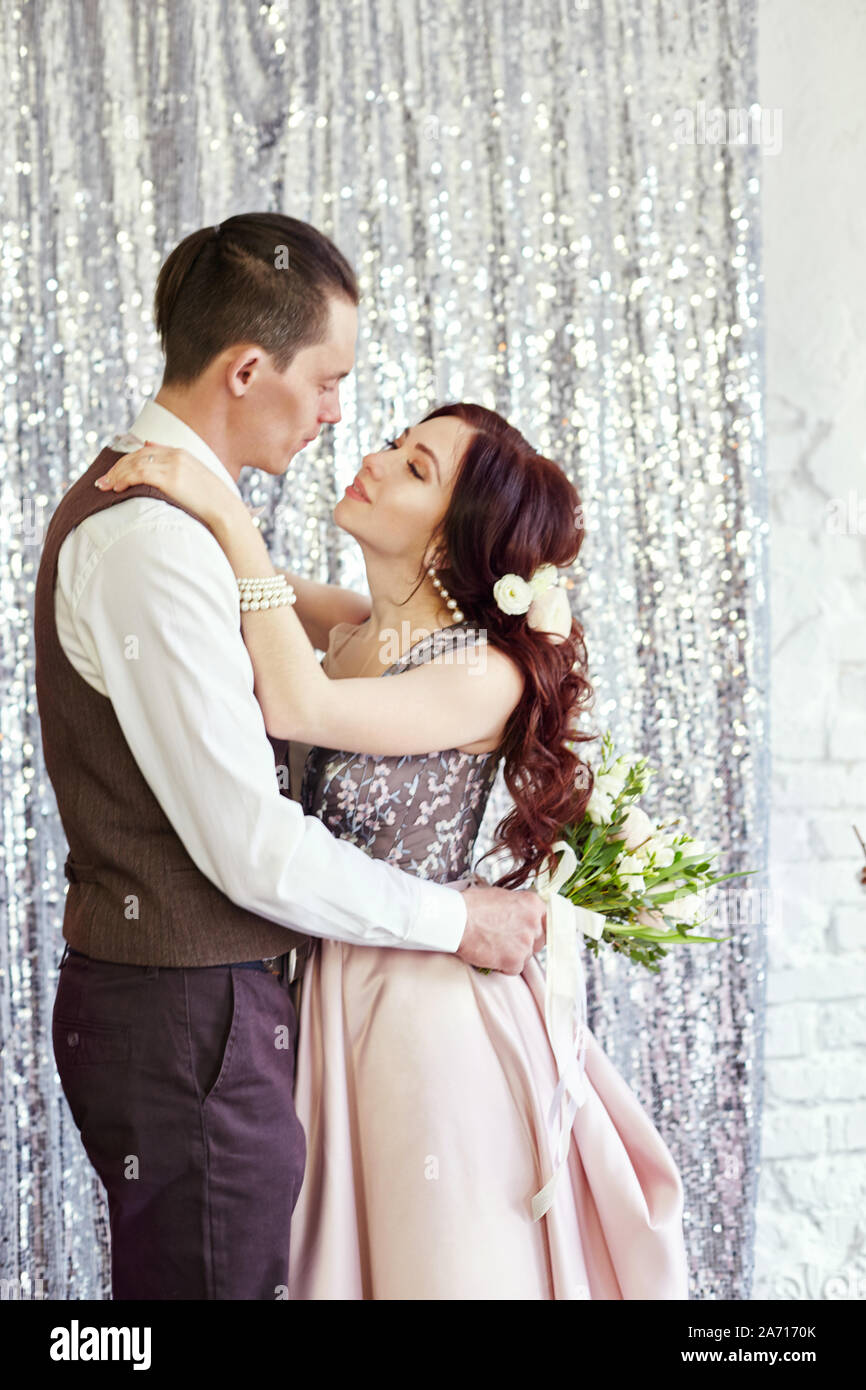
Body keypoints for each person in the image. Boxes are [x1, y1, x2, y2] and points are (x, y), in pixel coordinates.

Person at [34, 214, 545, 1303]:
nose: (338, 416)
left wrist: (228, 514)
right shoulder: (154, 539)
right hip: (195, 1015)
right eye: (328, 382)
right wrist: (460, 918)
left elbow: (320, 661)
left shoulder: (191, 529)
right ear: (248, 367)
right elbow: (248, 844)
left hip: (330, 1011)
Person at [95, 400, 691, 1300]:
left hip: (426, 1011)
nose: (373, 460)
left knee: (435, 1264)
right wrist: (191, 500)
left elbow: (298, 708)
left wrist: (225, 513)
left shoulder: (482, 673)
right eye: (393, 444)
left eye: (414, 469)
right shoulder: (360, 627)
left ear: (453, 544)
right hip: (330, 982)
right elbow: (236, 583)